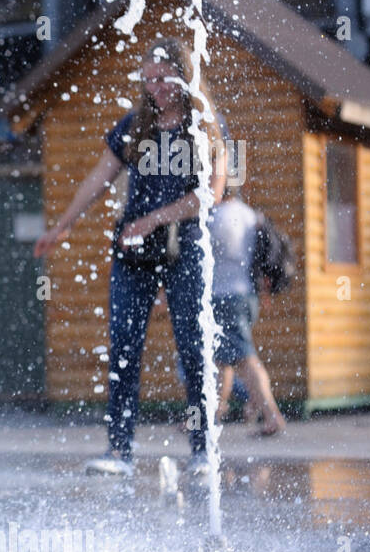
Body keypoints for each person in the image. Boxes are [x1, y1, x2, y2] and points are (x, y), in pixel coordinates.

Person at [33, 37, 229, 477]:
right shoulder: (134, 125)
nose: (156, 88)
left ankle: (203, 448)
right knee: (123, 344)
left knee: (193, 347)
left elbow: (210, 195)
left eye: (163, 79)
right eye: (149, 81)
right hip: (133, 252)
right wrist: (63, 225)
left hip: (186, 249)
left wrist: (155, 218)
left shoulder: (205, 126)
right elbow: (98, 178)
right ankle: (119, 451)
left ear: (183, 75)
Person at [210, 186, 287, 436]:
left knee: (245, 358)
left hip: (226, 298)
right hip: (246, 296)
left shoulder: (216, 217)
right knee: (223, 361)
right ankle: (213, 416)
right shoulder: (249, 214)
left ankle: (272, 415)